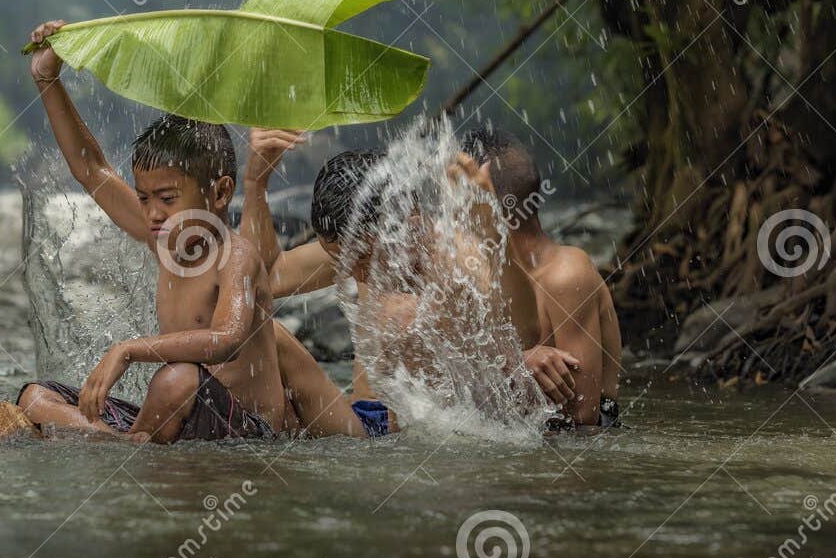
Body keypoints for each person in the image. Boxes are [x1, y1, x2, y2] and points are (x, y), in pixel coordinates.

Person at [14, 19, 286, 443]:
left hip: (243, 430)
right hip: (176, 415)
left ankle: (125, 442)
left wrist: (128, 349)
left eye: (168, 198)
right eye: (144, 198)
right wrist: (47, 78)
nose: (154, 214)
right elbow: (91, 169)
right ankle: (126, 441)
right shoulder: (160, 236)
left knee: (175, 378)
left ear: (219, 192)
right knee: (35, 396)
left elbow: (226, 340)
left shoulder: (236, 256)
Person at [240, 129, 582, 433]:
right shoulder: (352, 252)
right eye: (340, 259)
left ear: (407, 223)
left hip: (437, 432)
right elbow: (264, 279)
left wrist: (496, 238)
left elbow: (525, 332)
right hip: (361, 423)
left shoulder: (457, 254)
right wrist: (256, 185)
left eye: (363, 258)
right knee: (257, 327)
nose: (354, 272)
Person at [462, 125, 622, 429]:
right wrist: (514, 361)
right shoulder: (480, 275)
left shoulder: (566, 273)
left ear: (481, 206)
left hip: (576, 455)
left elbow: (583, 418)